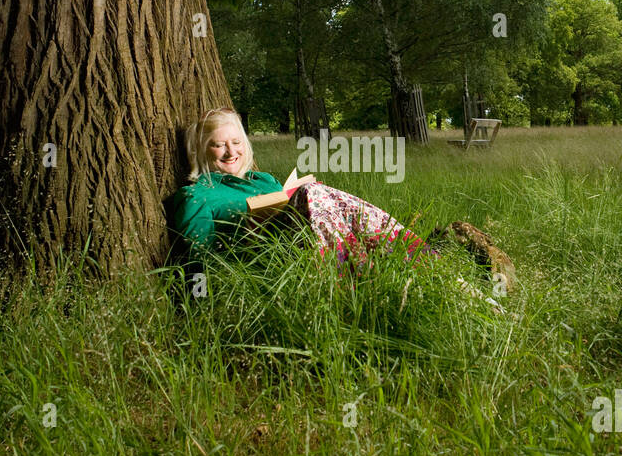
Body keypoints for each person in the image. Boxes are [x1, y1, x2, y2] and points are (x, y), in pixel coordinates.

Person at [171, 107, 504, 311]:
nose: (230, 152)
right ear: (201, 151)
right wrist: (198, 307)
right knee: (312, 193)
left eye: (236, 143)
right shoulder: (197, 194)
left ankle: (450, 281)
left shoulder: (266, 180)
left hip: (313, 245)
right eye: (218, 145)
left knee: (321, 195)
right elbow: (197, 254)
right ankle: (363, 283)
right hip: (266, 259)